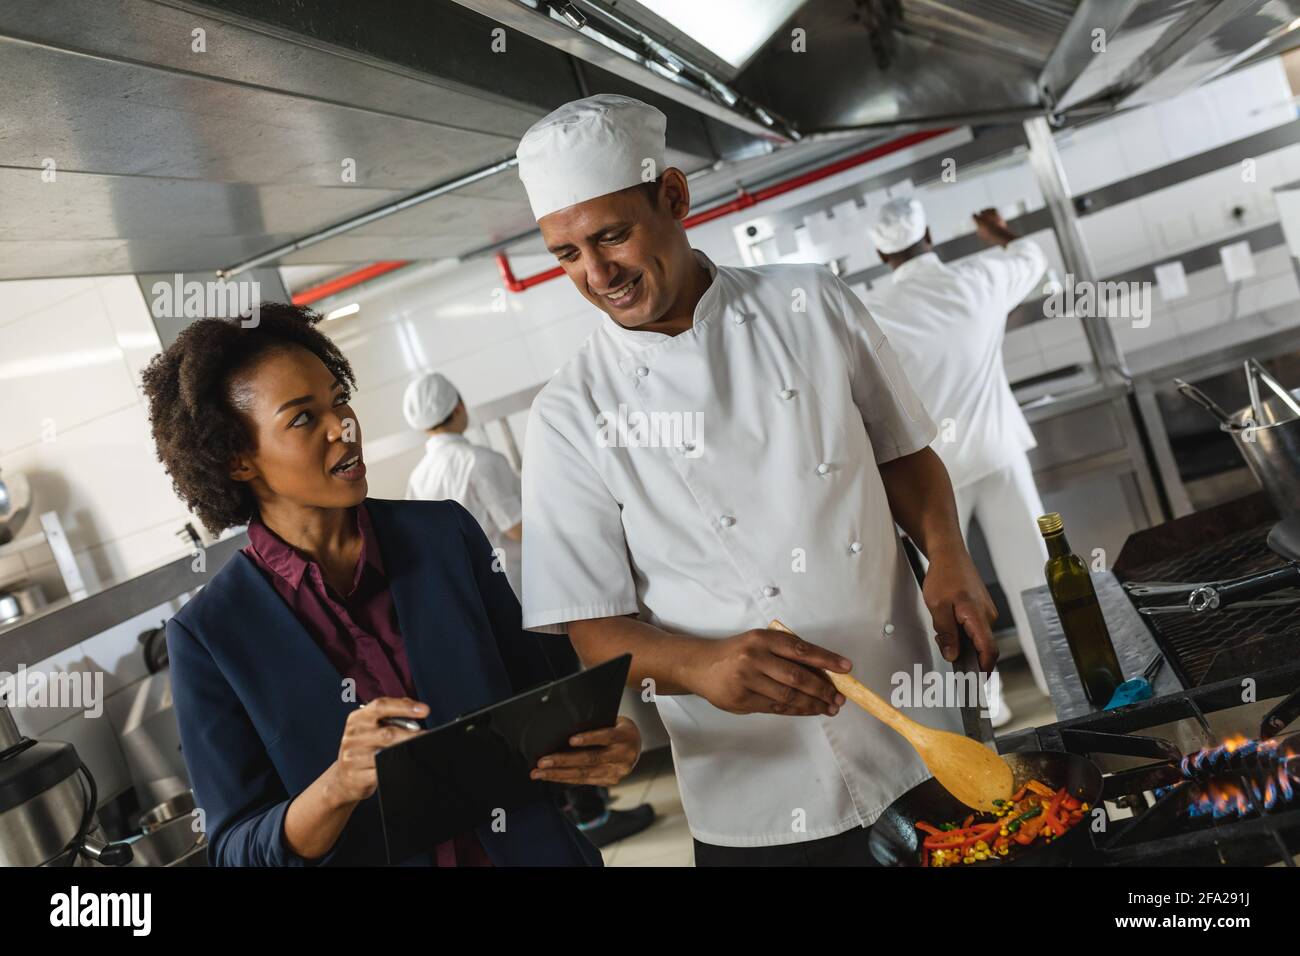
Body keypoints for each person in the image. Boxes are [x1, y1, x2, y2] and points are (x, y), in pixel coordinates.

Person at [515, 94, 999, 866]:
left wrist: (948, 555)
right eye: (566, 254)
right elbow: (594, 627)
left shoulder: (812, 303)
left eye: (612, 235)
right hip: (757, 793)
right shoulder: (570, 413)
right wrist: (697, 666)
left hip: (917, 726)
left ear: (672, 197)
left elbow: (901, 454)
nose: (597, 273)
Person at [142, 303, 640, 866]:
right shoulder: (211, 634)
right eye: (304, 418)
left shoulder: (444, 535)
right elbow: (236, 850)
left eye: (338, 400)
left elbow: (541, 694)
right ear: (238, 460)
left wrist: (600, 741)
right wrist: (339, 784)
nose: (343, 427)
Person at [401, 370, 656, 847]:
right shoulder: (480, 460)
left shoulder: (419, 477)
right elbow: (520, 529)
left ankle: (582, 810)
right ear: (458, 408)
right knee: (566, 708)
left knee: (534, 717)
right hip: (525, 603)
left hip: (480, 616)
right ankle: (593, 814)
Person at [863, 196, 1053, 725]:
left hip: (932, 477)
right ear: (928, 236)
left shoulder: (873, 312)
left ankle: (986, 708)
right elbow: (1032, 258)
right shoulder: (978, 280)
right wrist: (999, 230)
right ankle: (1064, 679)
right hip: (998, 451)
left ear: (881, 252)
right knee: (1036, 574)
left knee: (950, 593)